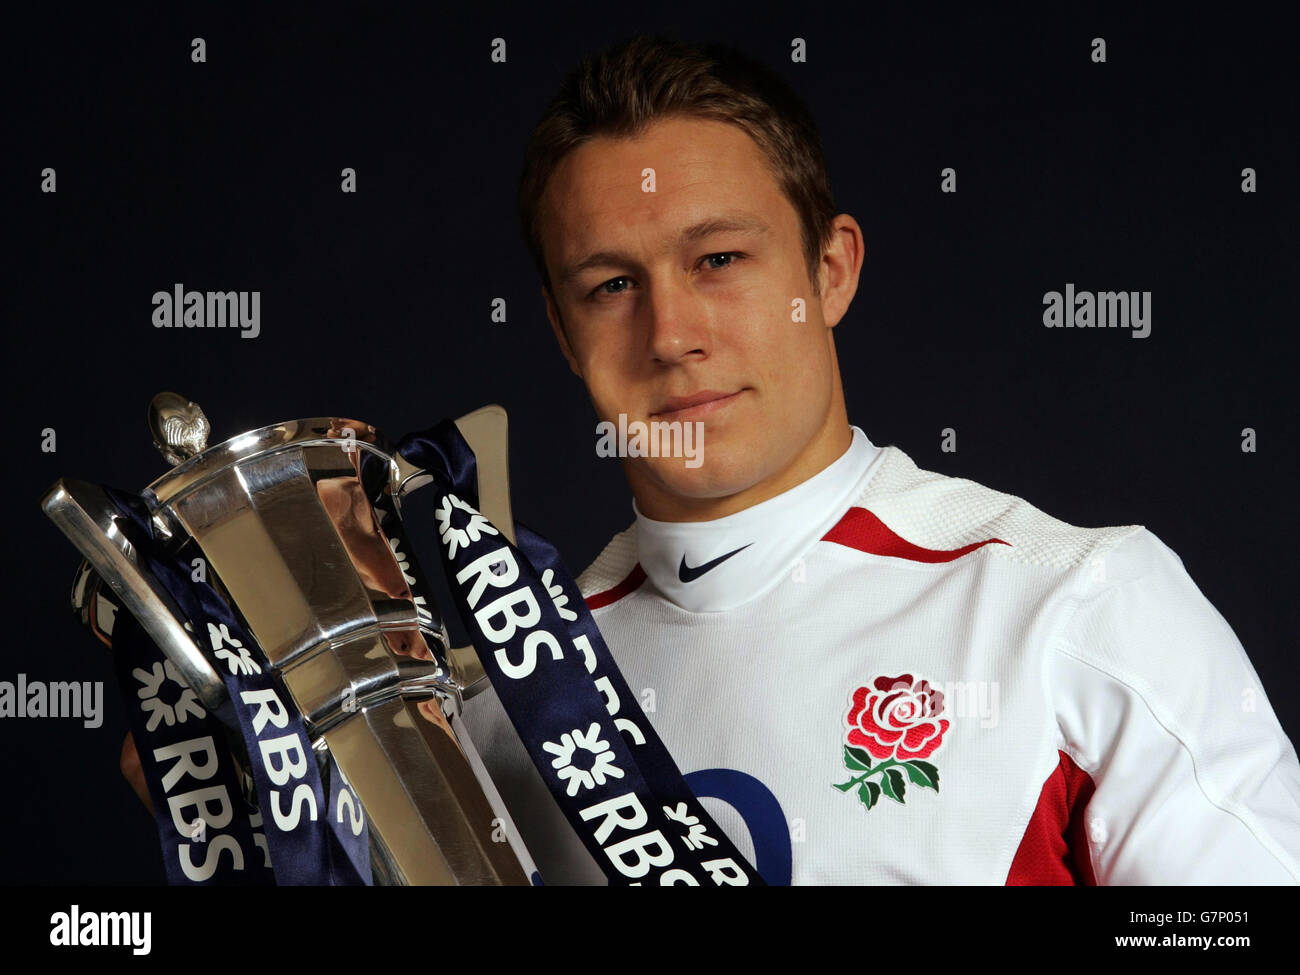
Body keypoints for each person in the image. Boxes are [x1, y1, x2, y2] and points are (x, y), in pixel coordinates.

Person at [123, 33, 1300, 885]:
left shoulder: (1070, 608)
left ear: (829, 271)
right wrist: (252, 792)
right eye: (611, 285)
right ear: (560, 328)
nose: (672, 333)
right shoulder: (500, 698)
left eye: (720, 260)